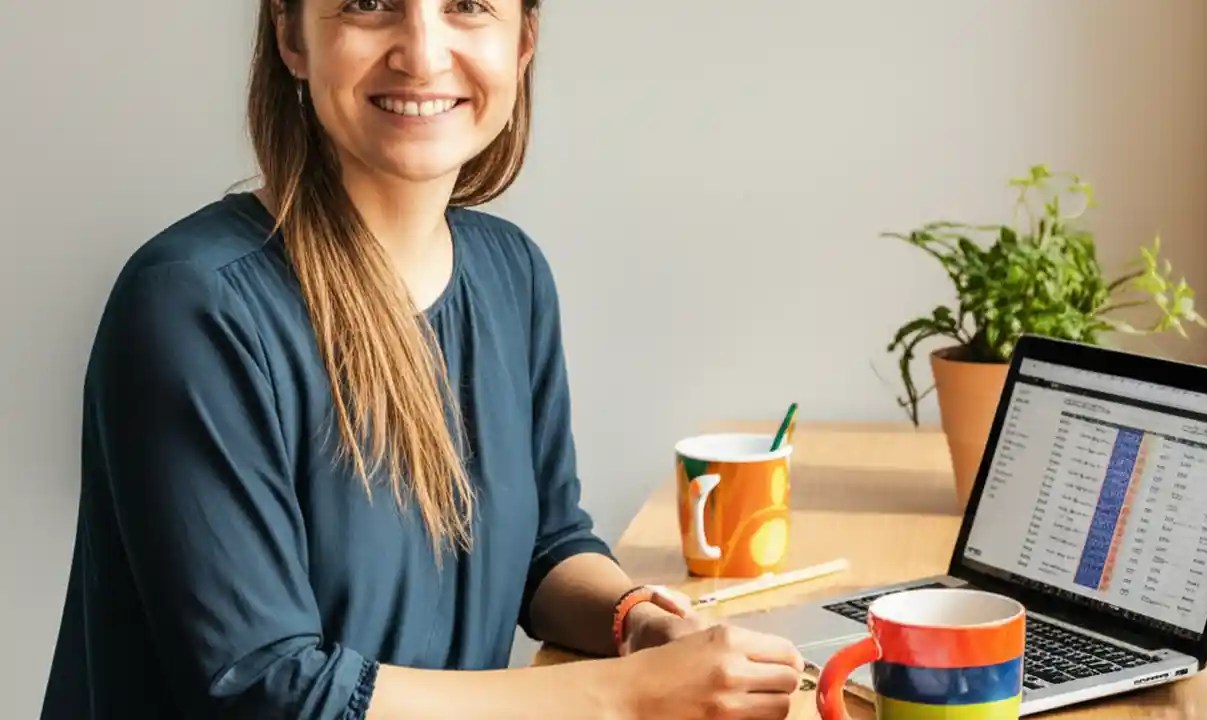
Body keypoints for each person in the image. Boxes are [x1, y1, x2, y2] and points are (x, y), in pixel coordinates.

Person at [40, 1, 807, 718]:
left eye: (468, 3)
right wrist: (627, 693)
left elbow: (549, 548)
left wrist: (635, 620)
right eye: (370, 1)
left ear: (523, 40)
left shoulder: (512, 271)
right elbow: (271, 688)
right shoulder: (192, 304)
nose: (422, 53)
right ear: (291, 36)